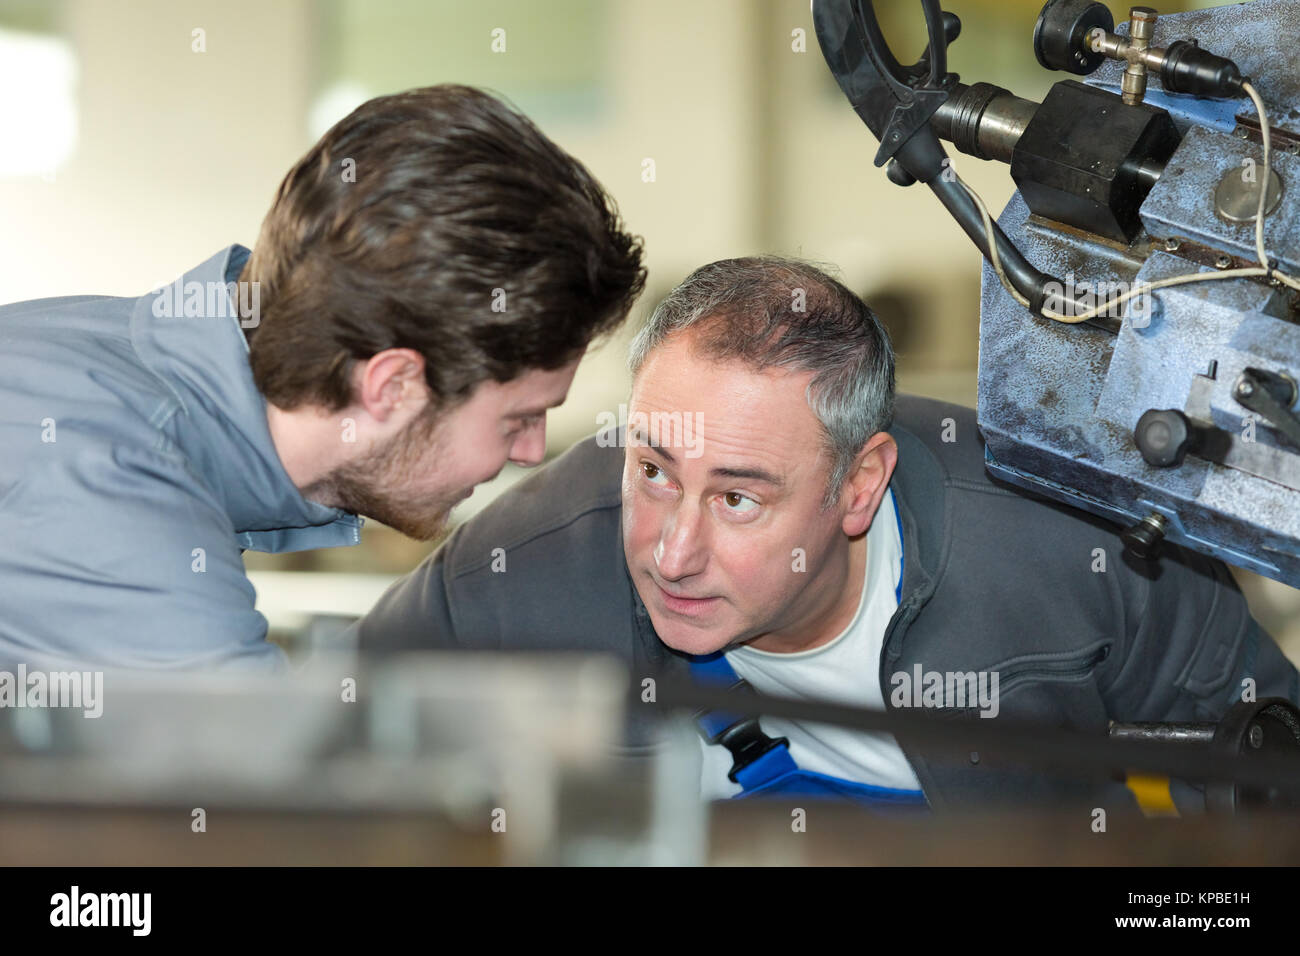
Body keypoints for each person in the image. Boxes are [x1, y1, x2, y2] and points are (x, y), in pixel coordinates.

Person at [352, 256, 1299, 813]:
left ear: (861, 484)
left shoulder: (1082, 544)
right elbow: (335, 749)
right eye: (653, 473)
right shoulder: (526, 562)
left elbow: (1268, 783)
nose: (670, 554)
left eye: (738, 500)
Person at [0, 84, 645, 672]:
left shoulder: (96, 365)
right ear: (392, 386)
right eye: (518, 418)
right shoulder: (116, 480)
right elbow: (258, 760)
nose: (532, 450)